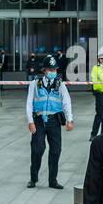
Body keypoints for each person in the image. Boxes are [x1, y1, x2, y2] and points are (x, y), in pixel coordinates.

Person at [26, 57, 73, 189]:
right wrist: (30, 121)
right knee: (37, 149)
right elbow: (29, 103)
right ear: (44, 70)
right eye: (50, 69)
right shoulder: (35, 83)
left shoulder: (60, 84)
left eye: (54, 69)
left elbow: (66, 102)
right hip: (39, 120)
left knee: (55, 151)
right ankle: (33, 178)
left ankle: (53, 180)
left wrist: (70, 119)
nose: (53, 71)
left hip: (54, 121)